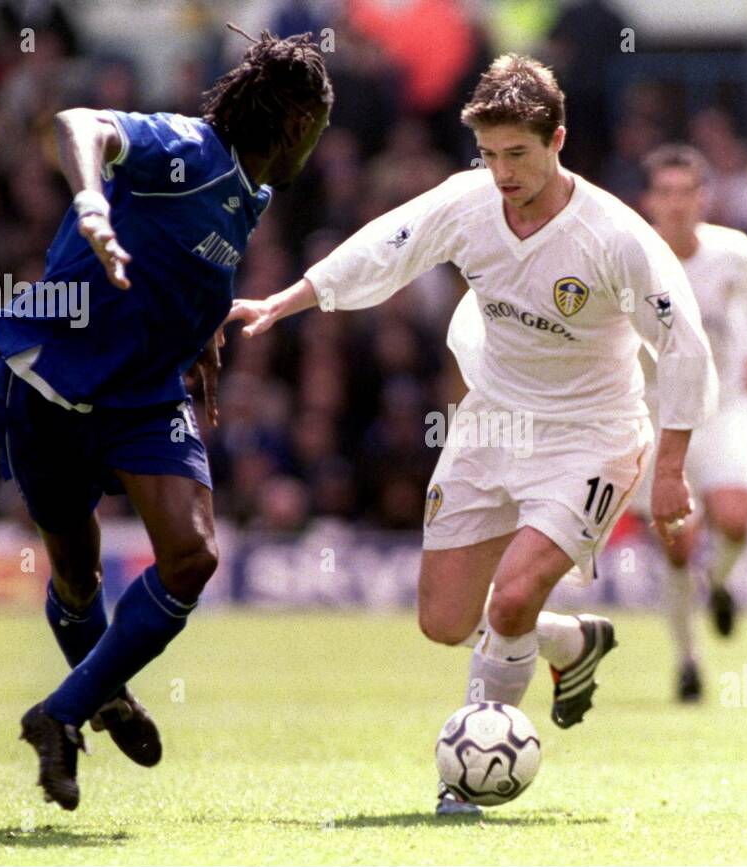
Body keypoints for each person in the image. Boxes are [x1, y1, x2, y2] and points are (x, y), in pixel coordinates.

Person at [226, 55, 718, 815]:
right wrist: (291, 299)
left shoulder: (616, 236)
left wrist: (673, 470)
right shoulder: (468, 200)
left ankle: (464, 785)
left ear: (558, 139)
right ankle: (569, 644)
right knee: (444, 621)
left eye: (517, 154)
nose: (501, 172)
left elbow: (683, 344)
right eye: (488, 155)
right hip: (491, 423)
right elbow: (386, 246)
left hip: (591, 437)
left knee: (512, 598)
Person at [0, 28, 333, 810]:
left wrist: (199, 327)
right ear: (295, 123)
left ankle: (62, 711)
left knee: (193, 557)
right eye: (317, 126)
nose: (317, 144)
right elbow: (77, 124)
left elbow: (192, 261)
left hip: (143, 392)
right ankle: (100, 695)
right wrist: (91, 204)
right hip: (49, 376)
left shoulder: (254, 193)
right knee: (75, 570)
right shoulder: (187, 146)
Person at [633, 144, 747, 701]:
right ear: (650, 201)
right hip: (655, 413)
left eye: (686, 192)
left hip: (723, 406)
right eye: (664, 193)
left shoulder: (735, 254)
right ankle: (688, 661)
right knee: (676, 545)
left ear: (703, 198)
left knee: (735, 519)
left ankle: (718, 583)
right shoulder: (632, 257)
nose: (675, 204)